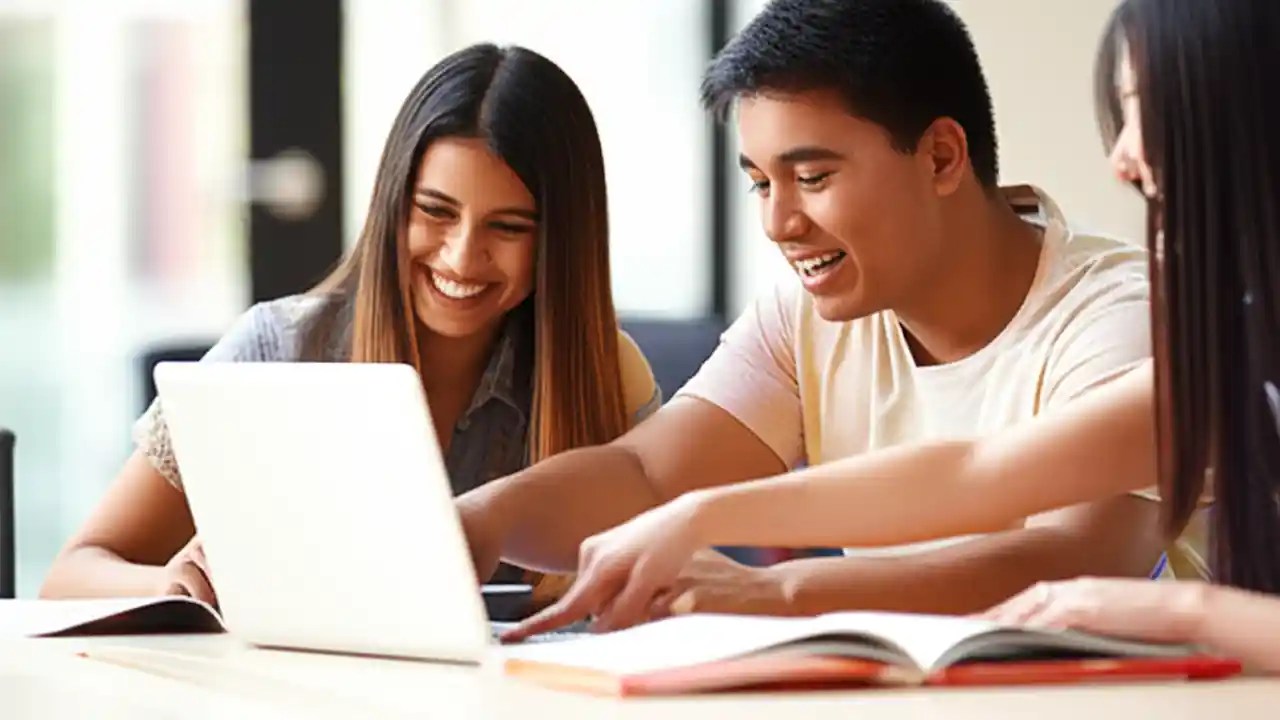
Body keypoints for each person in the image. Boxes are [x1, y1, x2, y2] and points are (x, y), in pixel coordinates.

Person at [509, 0, 1280, 673]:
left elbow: (1063, 547)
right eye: (760, 182)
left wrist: (1190, 616)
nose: (1119, 154)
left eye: (1141, 101)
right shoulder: (1228, 341)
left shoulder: (1132, 308)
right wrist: (696, 517)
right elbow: (976, 472)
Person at [39, 43, 661, 605]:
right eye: (434, 212)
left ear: (562, 238)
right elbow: (72, 575)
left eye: (509, 227)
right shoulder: (275, 349)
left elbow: (675, 575)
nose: (462, 257)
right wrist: (168, 583)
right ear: (393, 203)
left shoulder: (606, 371)